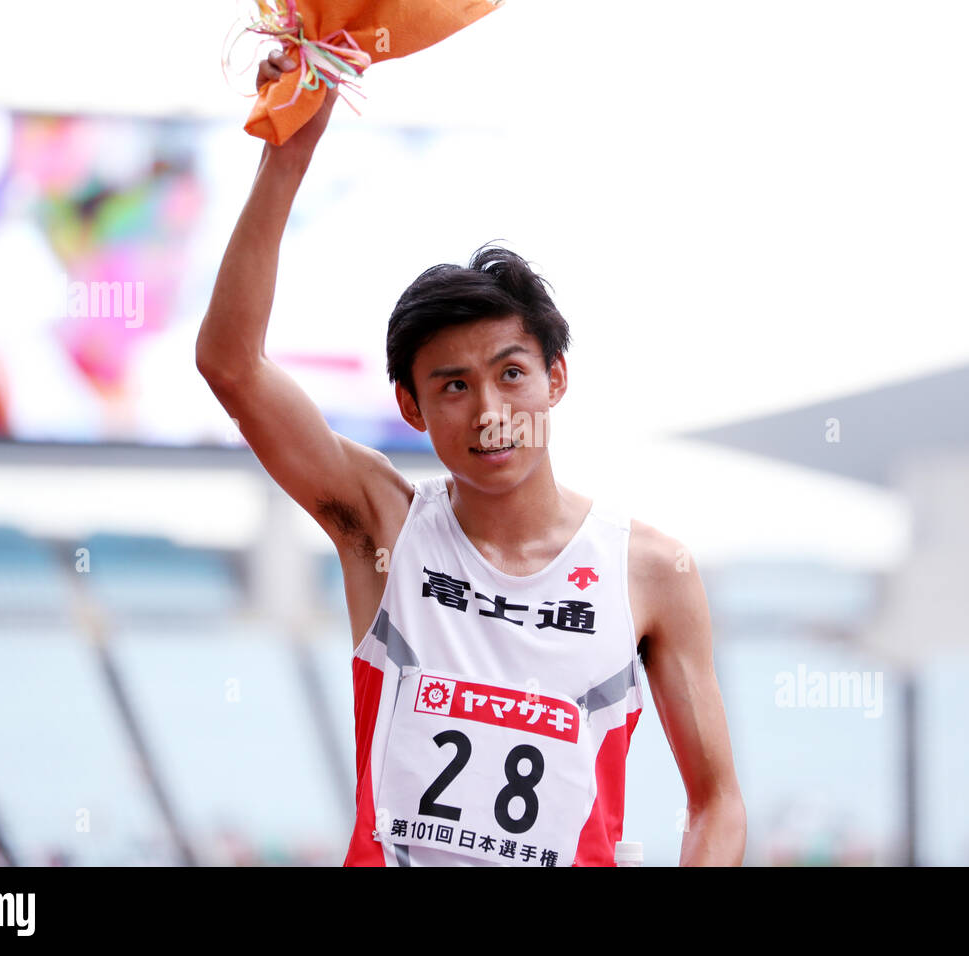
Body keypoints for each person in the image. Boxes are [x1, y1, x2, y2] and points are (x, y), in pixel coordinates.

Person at [196, 49, 746, 866]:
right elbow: (232, 366)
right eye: (452, 386)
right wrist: (287, 157)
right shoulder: (381, 526)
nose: (491, 414)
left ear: (555, 379)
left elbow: (718, 805)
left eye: (511, 374)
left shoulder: (653, 571)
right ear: (411, 408)